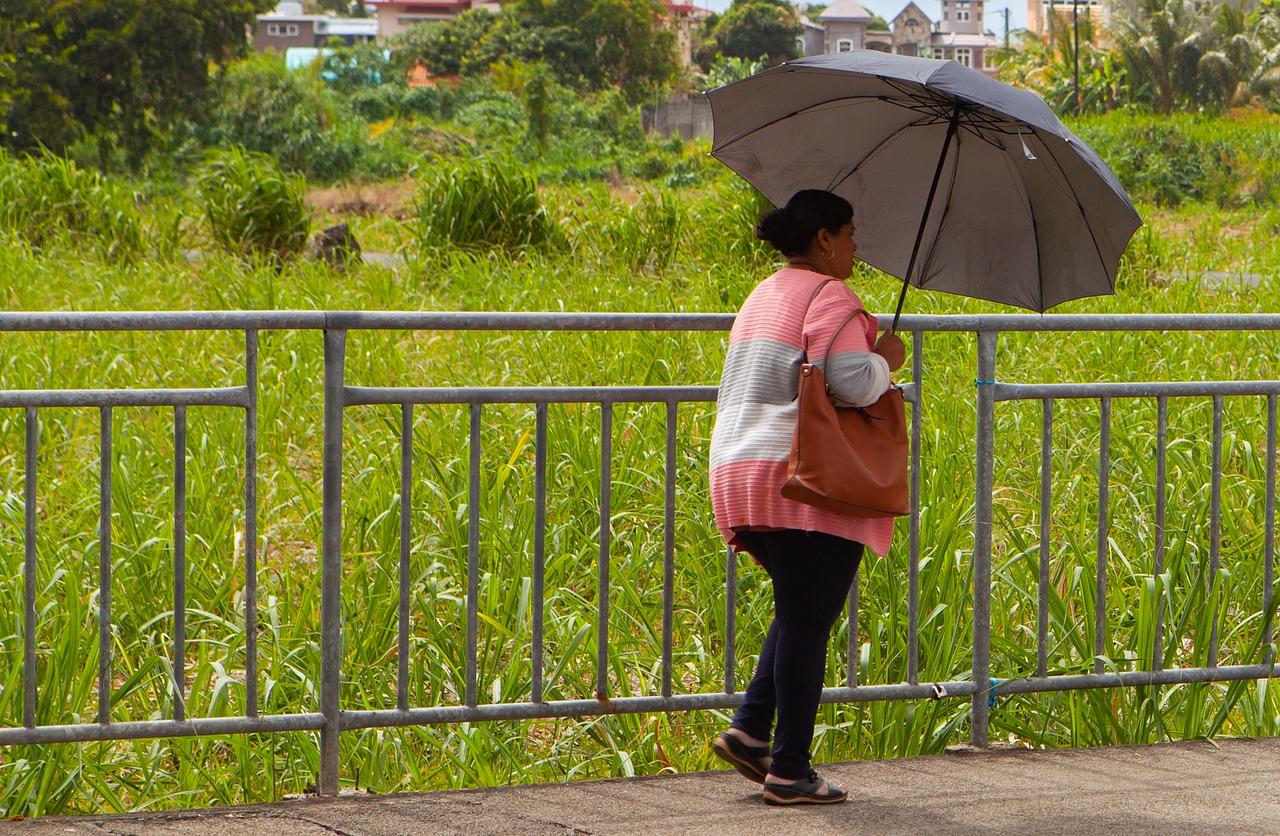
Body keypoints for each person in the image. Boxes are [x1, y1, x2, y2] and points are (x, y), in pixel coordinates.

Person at [708, 189, 905, 806]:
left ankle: (749, 731)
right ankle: (791, 769)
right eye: (849, 234)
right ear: (824, 238)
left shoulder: (764, 293)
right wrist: (885, 362)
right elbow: (848, 383)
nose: (854, 247)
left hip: (740, 469)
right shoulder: (832, 296)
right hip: (802, 476)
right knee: (809, 617)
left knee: (799, 609)